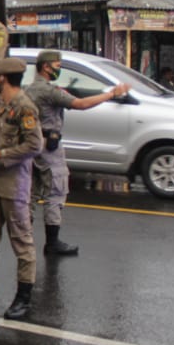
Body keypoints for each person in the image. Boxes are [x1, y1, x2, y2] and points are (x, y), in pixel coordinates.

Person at [24, 50, 130, 257]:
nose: (59, 69)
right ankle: (52, 243)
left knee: (31, 193)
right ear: (46, 66)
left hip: (32, 145)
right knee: (56, 191)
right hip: (49, 147)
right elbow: (81, 104)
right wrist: (111, 94)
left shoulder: (29, 89)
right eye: (57, 65)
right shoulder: (48, 91)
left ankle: (24, 239)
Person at [0, 58, 42, 321]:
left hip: (14, 186)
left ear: (2, 79)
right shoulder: (5, 106)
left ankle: (23, 297)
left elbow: (34, 145)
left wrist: (2, 155)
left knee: (22, 243)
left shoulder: (24, 107)